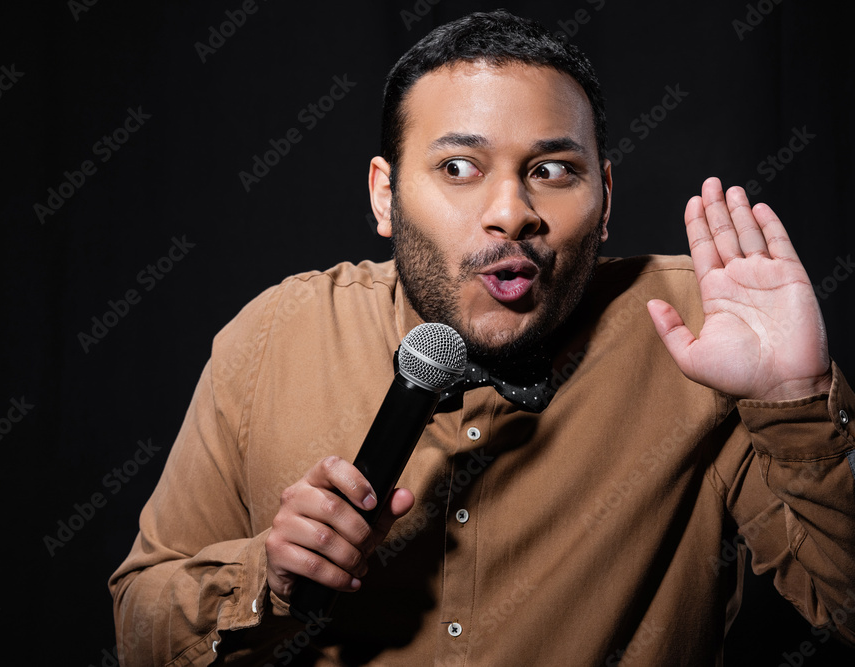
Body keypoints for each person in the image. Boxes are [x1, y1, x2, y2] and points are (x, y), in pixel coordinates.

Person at [109, 11, 855, 665]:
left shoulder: (702, 334)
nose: (511, 211)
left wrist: (796, 403)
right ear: (385, 194)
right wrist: (264, 577)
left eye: (552, 169)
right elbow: (139, 630)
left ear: (603, 202)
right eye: (459, 167)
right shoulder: (273, 338)